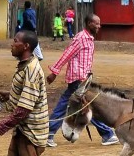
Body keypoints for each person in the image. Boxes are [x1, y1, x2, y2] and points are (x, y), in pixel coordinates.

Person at [45, 13, 118, 147]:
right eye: (97, 23)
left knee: (68, 104)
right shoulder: (81, 38)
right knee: (87, 105)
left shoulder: (89, 38)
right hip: (77, 78)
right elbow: (67, 54)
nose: (99, 26)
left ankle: (49, 133)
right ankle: (107, 134)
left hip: (83, 78)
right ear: (89, 23)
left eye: (99, 23)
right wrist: (54, 72)